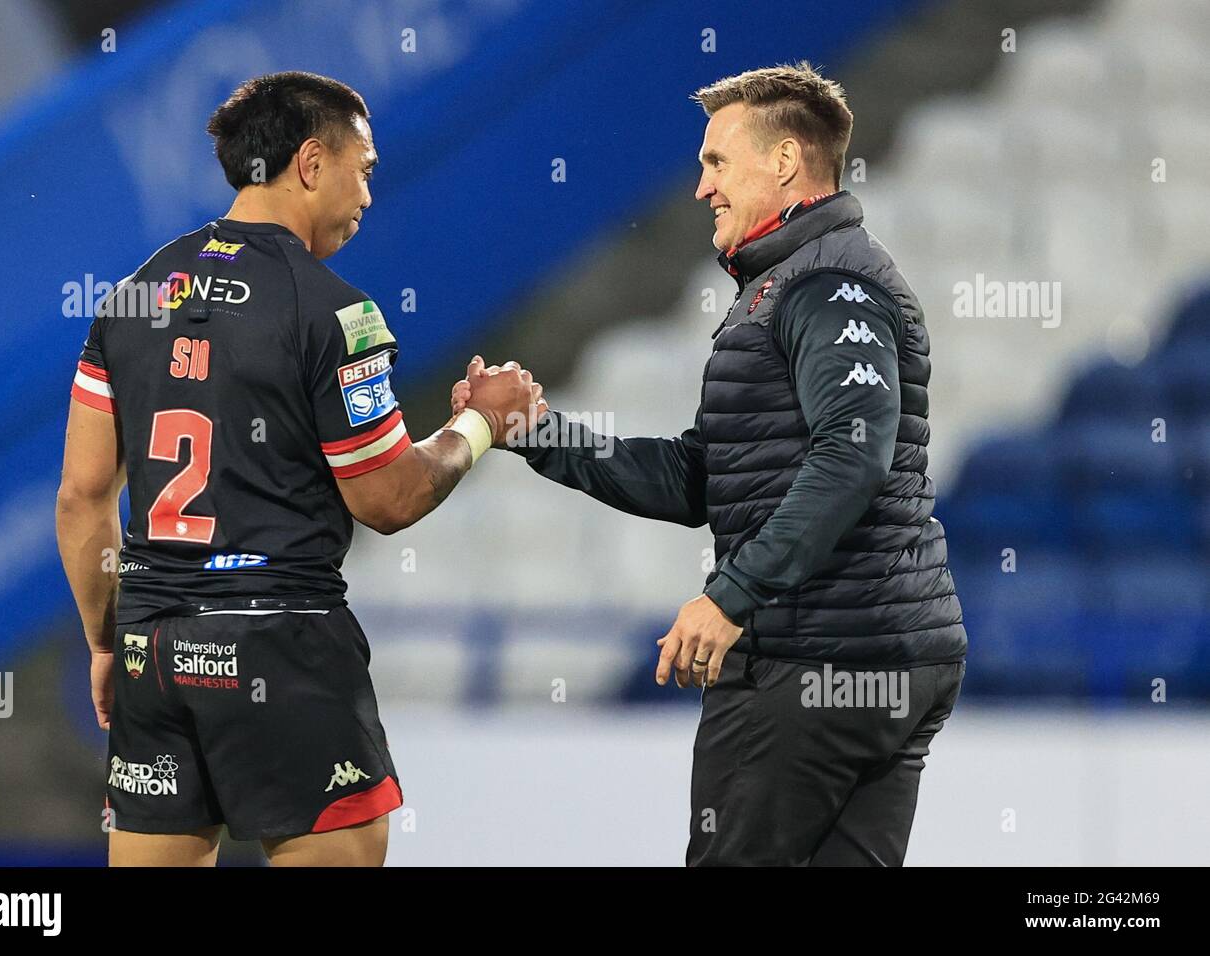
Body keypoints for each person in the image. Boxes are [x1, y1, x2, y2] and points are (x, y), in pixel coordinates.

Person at [454, 62, 966, 866]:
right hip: (886, 658)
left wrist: (730, 598)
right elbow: (702, 476)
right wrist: (538, 432)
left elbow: (853, 454)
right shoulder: (794, 281)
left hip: (812, 659)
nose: (701, 188)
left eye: (717, 162)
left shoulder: (827, 282)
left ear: (786, 161)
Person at [55, 71, 536, 867]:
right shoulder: (334, 311)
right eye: (365, 168)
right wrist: (482, 422)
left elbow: (81, 500)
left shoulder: (132, 299)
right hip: (282, 647)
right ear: (312, 162)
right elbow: (387, 497)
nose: (369, 196)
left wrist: (110, 645)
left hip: (153, 650)